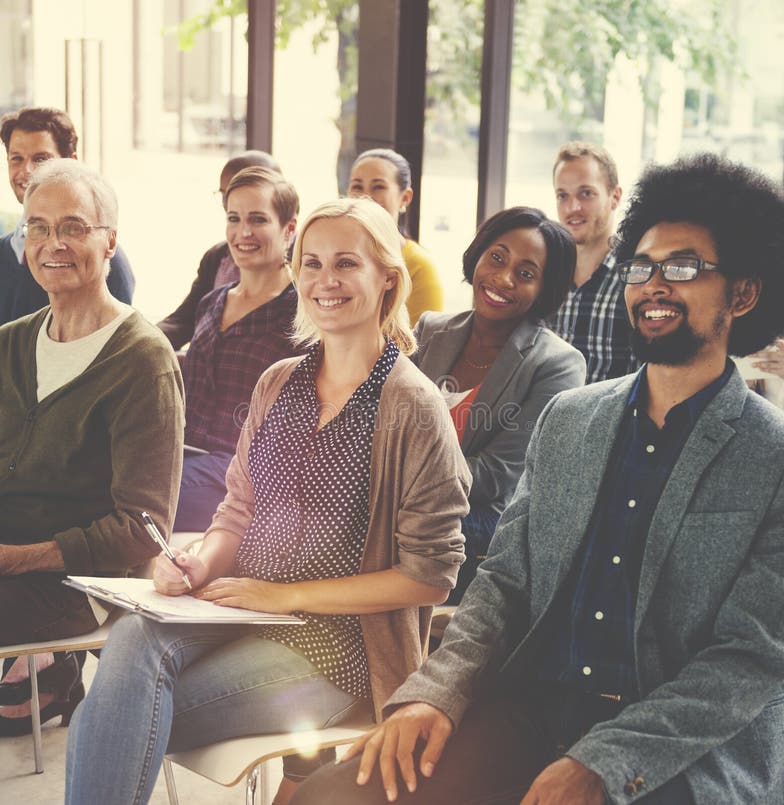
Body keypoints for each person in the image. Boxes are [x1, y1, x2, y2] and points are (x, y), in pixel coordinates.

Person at [292, 153, 784, 805]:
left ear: (743, 294)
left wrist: (603, 760)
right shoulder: (572, 419)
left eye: (684, 267)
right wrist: (436, 693)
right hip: (534, 707)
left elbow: (745, 661)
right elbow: (504, 580)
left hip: (676, 748)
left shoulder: (770, 455)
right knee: (331, 796)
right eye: (642, 265)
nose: (654, 282)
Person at [65, 196, 470, 805]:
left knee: (111, 717)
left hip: (336, 647)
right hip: (237, 610)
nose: (324, 281)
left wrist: (283, 597)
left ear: (387, 279)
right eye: (310, 263)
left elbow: (430, 578)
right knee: (130, 639)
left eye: (345, 264)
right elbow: (237, 513)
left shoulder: (412, 405)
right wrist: (200, 562)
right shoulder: (277, 381)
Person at [0, 159, 184, 736]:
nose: (54, 244)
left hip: (81, 585)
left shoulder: (142, 359)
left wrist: (16, 558)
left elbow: (144, 530)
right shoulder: (7, 345)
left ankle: (50, 678)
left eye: (73, 227)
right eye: (38, 227)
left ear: (110, 240)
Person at [413, 206, 585, 602]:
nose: (502, 278)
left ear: (545, 288)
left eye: (525, 274)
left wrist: (400, 477)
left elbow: (497, 476)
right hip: (406, 508)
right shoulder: (430, 329)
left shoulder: (557, 364)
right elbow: (377, 423)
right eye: (496, 257)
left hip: (478, 524)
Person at [174, 166, 302, 531]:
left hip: (246, 474)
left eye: (258, 219)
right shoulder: (212, 301)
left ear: (289, 229)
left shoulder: (302, 314)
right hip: (185, 454)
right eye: (234, 218)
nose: (243, 233)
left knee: (144, 499)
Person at [0, 107, 135, 340]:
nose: (27, 171)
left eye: (41, 159)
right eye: (16, 159)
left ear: (71, 163)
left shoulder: (101, 259)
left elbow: (115, 346)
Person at [157, 149, 282, 350]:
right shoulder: (217, 258)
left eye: (258, 218)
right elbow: (183, 320)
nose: (235, 202)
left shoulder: (305, 263)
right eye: (227, 196)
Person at [551, 141, 638, 383]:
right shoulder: (545, 274)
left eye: (586, 193)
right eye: (562, 196)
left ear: (615, 197)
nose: (573, 207)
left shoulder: (637, 280)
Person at [349, 148, 443, 325]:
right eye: (357, 186)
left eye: (378, 187)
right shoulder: (331, 255)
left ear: (405, 198)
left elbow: (424, 345)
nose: (365, 196)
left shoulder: (419, 266)